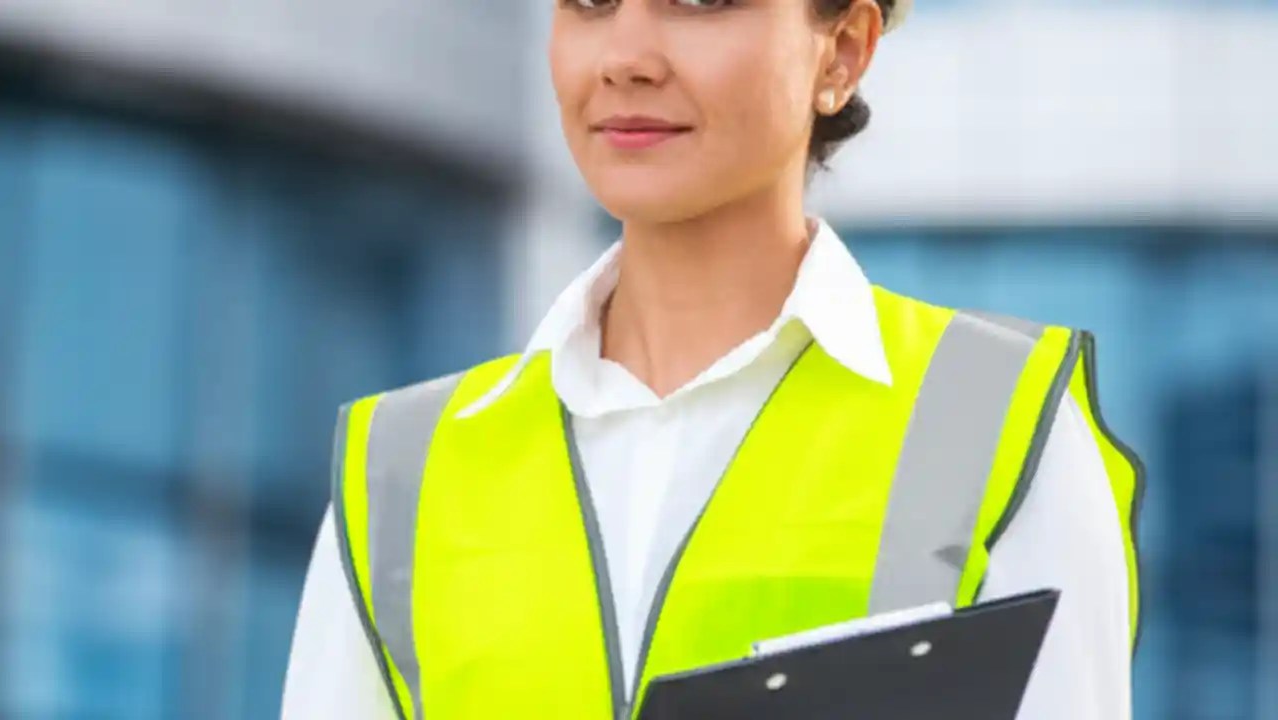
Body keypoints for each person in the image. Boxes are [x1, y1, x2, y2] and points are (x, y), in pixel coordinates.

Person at [282, 0, 1144, 718]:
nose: (624, 56)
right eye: (588, 1)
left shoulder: (997, 419)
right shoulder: (403, 468)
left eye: (699, 0)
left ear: (842, 51)